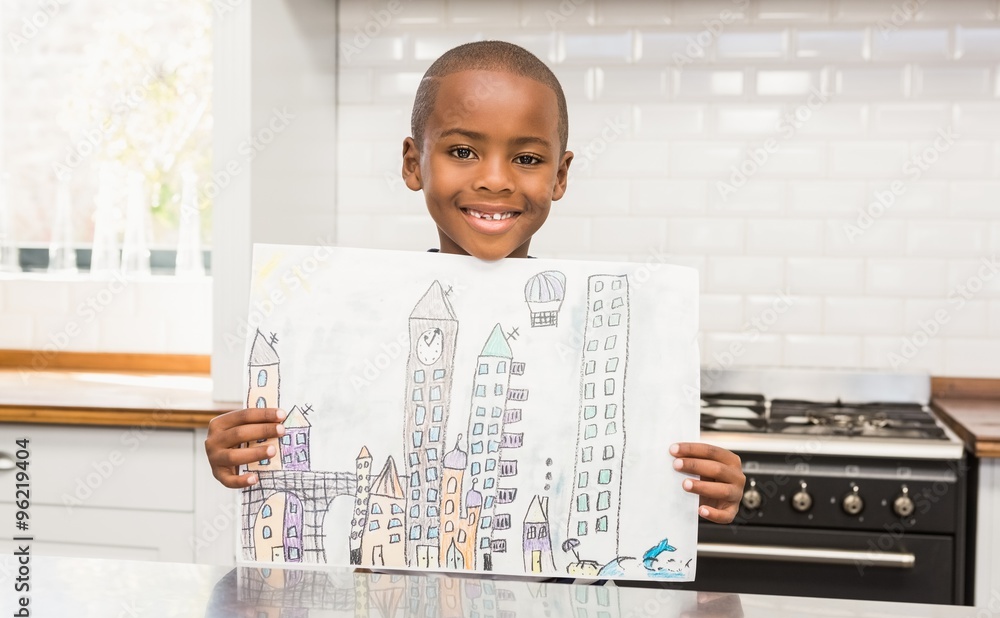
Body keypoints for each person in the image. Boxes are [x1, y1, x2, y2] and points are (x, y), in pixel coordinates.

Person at [205, 41, 745, 525]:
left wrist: (703, 490)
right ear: (414, 163)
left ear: (559, 175)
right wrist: (240, 453)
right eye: (462, 151)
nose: (494, 178)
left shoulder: (595, 334)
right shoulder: (359, 330)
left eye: (527, 158)